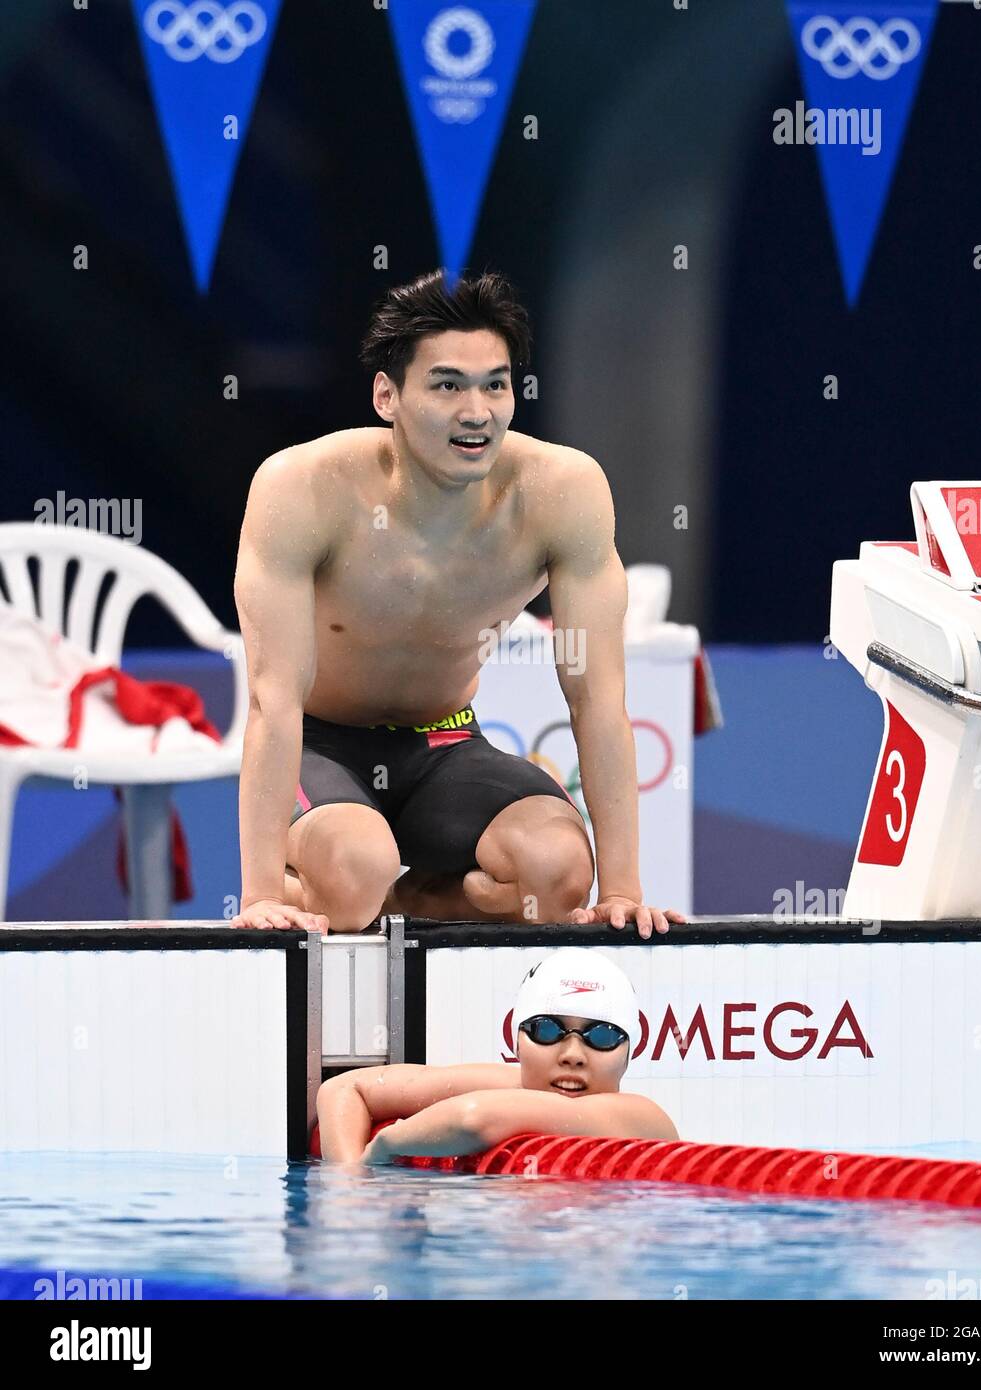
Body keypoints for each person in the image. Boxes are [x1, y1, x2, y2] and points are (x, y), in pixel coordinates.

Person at [232, 268, 685, 939]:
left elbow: (597, 699)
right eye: (447, 385)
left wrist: (621, 889)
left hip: (445, 742)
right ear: (387, 395)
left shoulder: (562, 492)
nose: (477, 412)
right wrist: (260, 895)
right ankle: (342, 887)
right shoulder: (303, 488)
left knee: (557, 877)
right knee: (355, 872)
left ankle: (399, 902)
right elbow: (273, 700)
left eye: (495, 385)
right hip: (320, 744)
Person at [315, 948, 676, 1163]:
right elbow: (346, 1088)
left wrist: (384, 1145)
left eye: (602, 1036)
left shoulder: (643, 1119)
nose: (572, 1055)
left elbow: (475, 1119)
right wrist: (351, 1184)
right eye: (547, 1030)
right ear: (516, 1040)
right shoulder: (512, 1086)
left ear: (630, 1051)